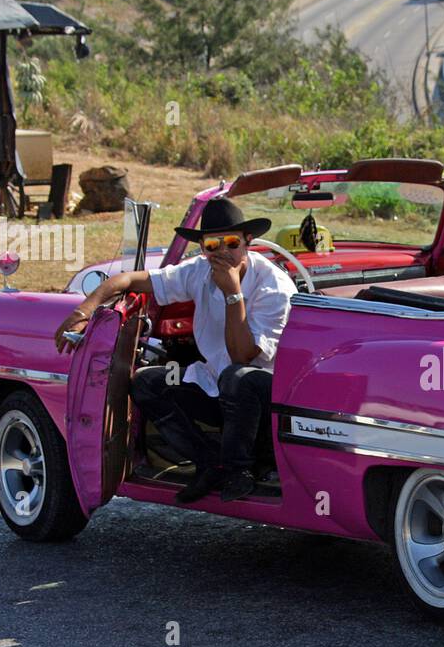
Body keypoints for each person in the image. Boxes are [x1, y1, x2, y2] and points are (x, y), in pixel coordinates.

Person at [55, 197, 296, 502]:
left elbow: (242, 356)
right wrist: (82, 313)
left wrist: (233, 294)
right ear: (204, 248)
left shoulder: (273, 287)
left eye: (231, 243)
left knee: (237, 377)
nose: (222, 252)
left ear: (248, 241)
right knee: (147, 382)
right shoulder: (199, 269)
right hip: (214, 383)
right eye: (212, 245)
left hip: (265, 397)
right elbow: (128, 279)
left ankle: (240, 470)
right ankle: (209, 462)